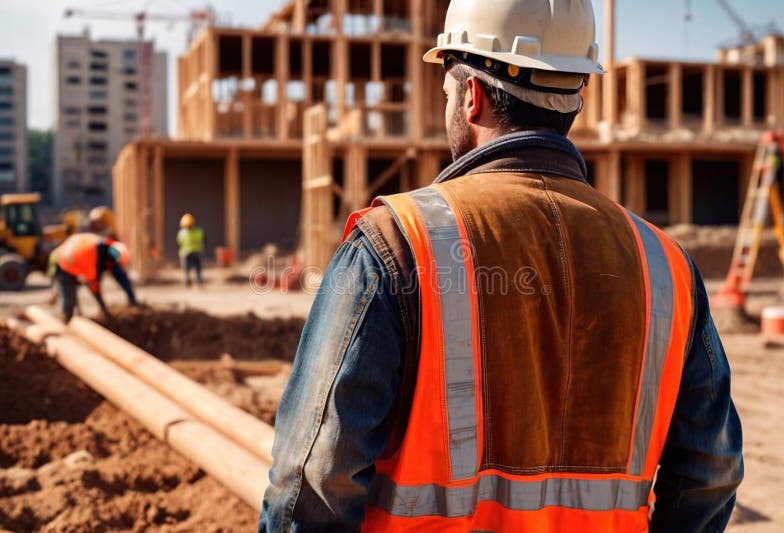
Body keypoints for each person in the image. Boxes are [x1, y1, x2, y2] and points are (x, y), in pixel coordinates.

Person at [259, 1, 744, 531]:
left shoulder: (396, 243)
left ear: (471, 96)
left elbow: (314, 481)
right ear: (575, 96)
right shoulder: (665, 265)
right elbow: (711, 472)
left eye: (446, 90)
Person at [54, 233, 138, 322]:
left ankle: (133, 301)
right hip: (65, 263)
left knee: (117, 272)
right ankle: (67, 320)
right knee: (69, 298)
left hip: (77, 251)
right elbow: (94, 286)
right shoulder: (92, 260)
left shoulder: (106, 247)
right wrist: (104, 309)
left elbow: (121, 276)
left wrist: (132, 300)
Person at [177, 213, 204, 287]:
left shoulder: (181, 233)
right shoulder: (198, 231)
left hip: (186, 253)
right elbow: (202, 240)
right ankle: (199, 280)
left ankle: (187, 279)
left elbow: (179, 243)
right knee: (197, 267)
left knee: (186, 267)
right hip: (196, 252)